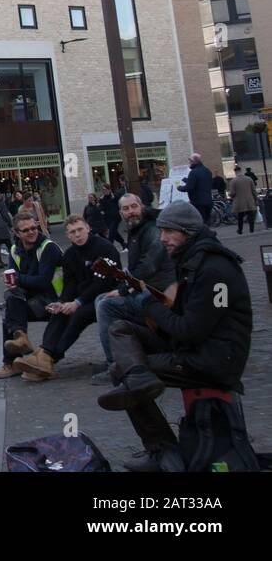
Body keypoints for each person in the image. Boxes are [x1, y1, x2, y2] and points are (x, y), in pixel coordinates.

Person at [98, 200, 253, 471]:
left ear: (188, 232)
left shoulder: (216, 270)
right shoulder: (192, 261)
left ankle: (162, 450)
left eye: (169, 232)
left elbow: (191, 331)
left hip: (213, 360)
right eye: (161, 231)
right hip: (194, 348)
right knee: (120, 328)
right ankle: (139, 378)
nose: (163, 238)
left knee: (118, 370)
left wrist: (149, 305)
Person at [12, 216, 118, 381]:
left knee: (78, 315)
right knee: (60, 312)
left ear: (88, 228)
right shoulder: (70, 254)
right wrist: (62, 302)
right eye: (72, 232)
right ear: (68, 235)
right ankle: (44, 353)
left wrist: (78, 302)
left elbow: (103, 283)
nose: (77, 235)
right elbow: (69, 284)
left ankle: (50, 359)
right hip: (82, 297)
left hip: (106, 297)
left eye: (80, 230)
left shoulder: (104, 247)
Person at [91, 193, 176, 384]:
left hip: (160, 294)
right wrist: (126, 285)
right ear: (120, 212)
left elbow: (149, 266)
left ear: (142, 207)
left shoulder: (152, 229)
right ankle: (118, 358)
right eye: (126, 209)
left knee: (106, 305)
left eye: (133, 207)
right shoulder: (135, 230)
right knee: (100, 300)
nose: (131, 212)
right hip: (145, 288)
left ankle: (115, 365)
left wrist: (122, 290)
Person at [0, 214, 63, 378]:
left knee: (10, 308)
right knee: (10, 299)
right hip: (33, 299)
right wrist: (12, 281)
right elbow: (16, 279)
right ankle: (18, 344)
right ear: (16, 233)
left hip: (54, 300)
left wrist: (18, 280)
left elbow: (43, 281)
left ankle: (12, 359)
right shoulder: (14, 250)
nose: (32, 232)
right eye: (26, 230)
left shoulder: (48, 248)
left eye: (34, 228)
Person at [178, 153, 214, 226]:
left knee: (199, 224)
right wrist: (187, 180)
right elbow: (201, 182)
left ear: (195, 162)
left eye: (190, 161)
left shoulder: (193, 172)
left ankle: (204, 236)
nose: (189, 163)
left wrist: (179, 187)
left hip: (198, 202)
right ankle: (208, 236)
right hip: (208, 201)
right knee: (206, 223)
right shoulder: (207, 171)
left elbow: (189, 187)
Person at [228, 168, 257, 234]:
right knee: (250, 216)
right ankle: (251, 230)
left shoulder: (233, 181)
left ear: (235, 172)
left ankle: (240, 230)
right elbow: (253, 191)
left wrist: (230, 196)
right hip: (249, 201)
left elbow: (232, 193)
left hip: (239, 202)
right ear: (241, 171)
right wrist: (255, 198)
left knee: (240, 217)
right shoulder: (249, 179)